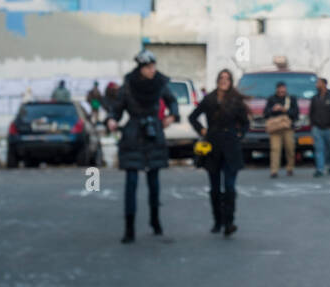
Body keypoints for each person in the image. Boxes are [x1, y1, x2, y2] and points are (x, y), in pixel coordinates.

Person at [106, 50, 179, 243]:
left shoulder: (160, 83)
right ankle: (129, 228)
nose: (152, 70)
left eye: (153, 66)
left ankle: (155, 220)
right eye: (148, 67)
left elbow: (172, 101)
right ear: (140, 68)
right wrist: (112, 119)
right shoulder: (128, 85)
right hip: (133, 134)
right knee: (131, 182)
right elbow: (117, 108)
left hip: (154, 132)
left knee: (154, 183)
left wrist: (172, 116)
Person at [189, 69, 249, 236]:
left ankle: (229, 222)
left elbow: (245, 123)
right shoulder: (209, 99)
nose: (224, 81)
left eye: (227, 78)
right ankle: (217, 220)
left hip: (231, 147)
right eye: (221, 78)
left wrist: (239, 135)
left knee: (229, 187)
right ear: (217, 80)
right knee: (215, 188)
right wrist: (201, 130)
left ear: (231, 81)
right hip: (213, 147)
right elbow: (193, 117)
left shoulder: (236, 100)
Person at [263, 80, 298, 179]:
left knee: (290, 149)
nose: (282, 90)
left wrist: (284, 109)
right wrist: (273, 109)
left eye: (283, 89)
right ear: (277, 89)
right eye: (280, 89)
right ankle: (274, 170)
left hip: (287, 128)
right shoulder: (271, 99)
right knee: (275, 149)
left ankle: (290, 168)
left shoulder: (291, 99)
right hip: (275, 128)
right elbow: (265, 113)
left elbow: (296, 113)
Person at [309, 77, 330, 176]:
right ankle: (320, 169)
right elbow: (311, 113)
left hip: (329, 128)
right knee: (319, 149)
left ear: (324, 84)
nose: (317, 84)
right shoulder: (315, 97)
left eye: (319, 83)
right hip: (317, 128)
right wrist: (313, 125)